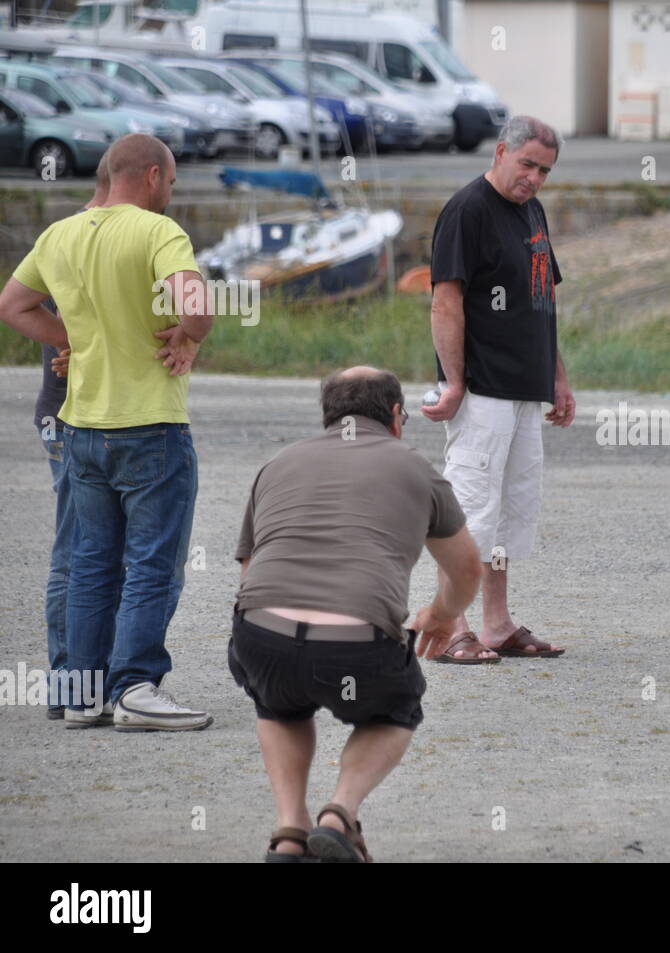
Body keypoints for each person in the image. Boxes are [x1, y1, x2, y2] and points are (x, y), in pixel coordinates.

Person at [0, 133, 212, 730]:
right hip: (151, 425)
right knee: (151, 563)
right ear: (150, 175)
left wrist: (71, 341)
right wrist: (191, 333)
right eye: (169, 182)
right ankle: (135, 687)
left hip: (81, 426)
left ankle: (80, 692)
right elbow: (196, 309)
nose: (170, 193)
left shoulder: (59, 234)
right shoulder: (157, 233)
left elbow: (13, 305)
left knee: (90, 562)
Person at [230, 367, 482, 862]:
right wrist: (441, 613)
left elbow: (249, 570)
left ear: (329, 416)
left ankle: (288, 832)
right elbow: (468, 568)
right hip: (357, 643)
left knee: (279, 703)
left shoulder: (279, 463)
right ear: (394, 416)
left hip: (263, 634)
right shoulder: (415, 468)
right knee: (395, 708)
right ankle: (339, 815)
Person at [421, 115, 575, 663]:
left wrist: (556, 376)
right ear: (501, 151)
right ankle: (449, 627)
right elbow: (445, 300)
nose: (534, 178)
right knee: (470, 507)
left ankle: (496, 624)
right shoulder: (468, 210)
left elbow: (542, 301)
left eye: (544, 170)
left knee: (511, 511)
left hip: (525, 387)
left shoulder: (531, 210)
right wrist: (455, 380)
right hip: (482, 386)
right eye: (527, 164)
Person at [33, 156, 113, 722]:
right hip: (74, 414)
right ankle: (70, 682)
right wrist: (74, 343)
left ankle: (83, 677)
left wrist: (74, 341)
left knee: (85, 551)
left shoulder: (59, 236)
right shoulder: (88, 240)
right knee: (79, 552)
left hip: (73, 412)